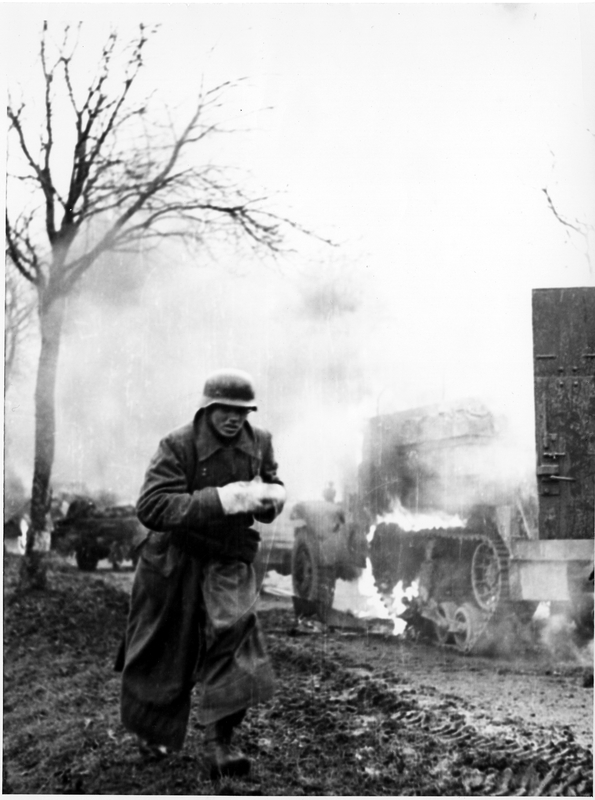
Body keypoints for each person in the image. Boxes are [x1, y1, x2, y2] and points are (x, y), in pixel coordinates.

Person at [118, 368, 286, 778]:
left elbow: (272, 483)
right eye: (226, 409)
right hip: (175, 556)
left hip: (228, 556)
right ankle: (153, 735)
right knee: (163, 646)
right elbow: (152, 506)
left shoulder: (260, 441)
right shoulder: (178, 444)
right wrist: (222, 500)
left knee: (235, 635)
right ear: (208, 408)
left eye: (243, 411)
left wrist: (272, 497)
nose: (234, 418)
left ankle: (219, 746)